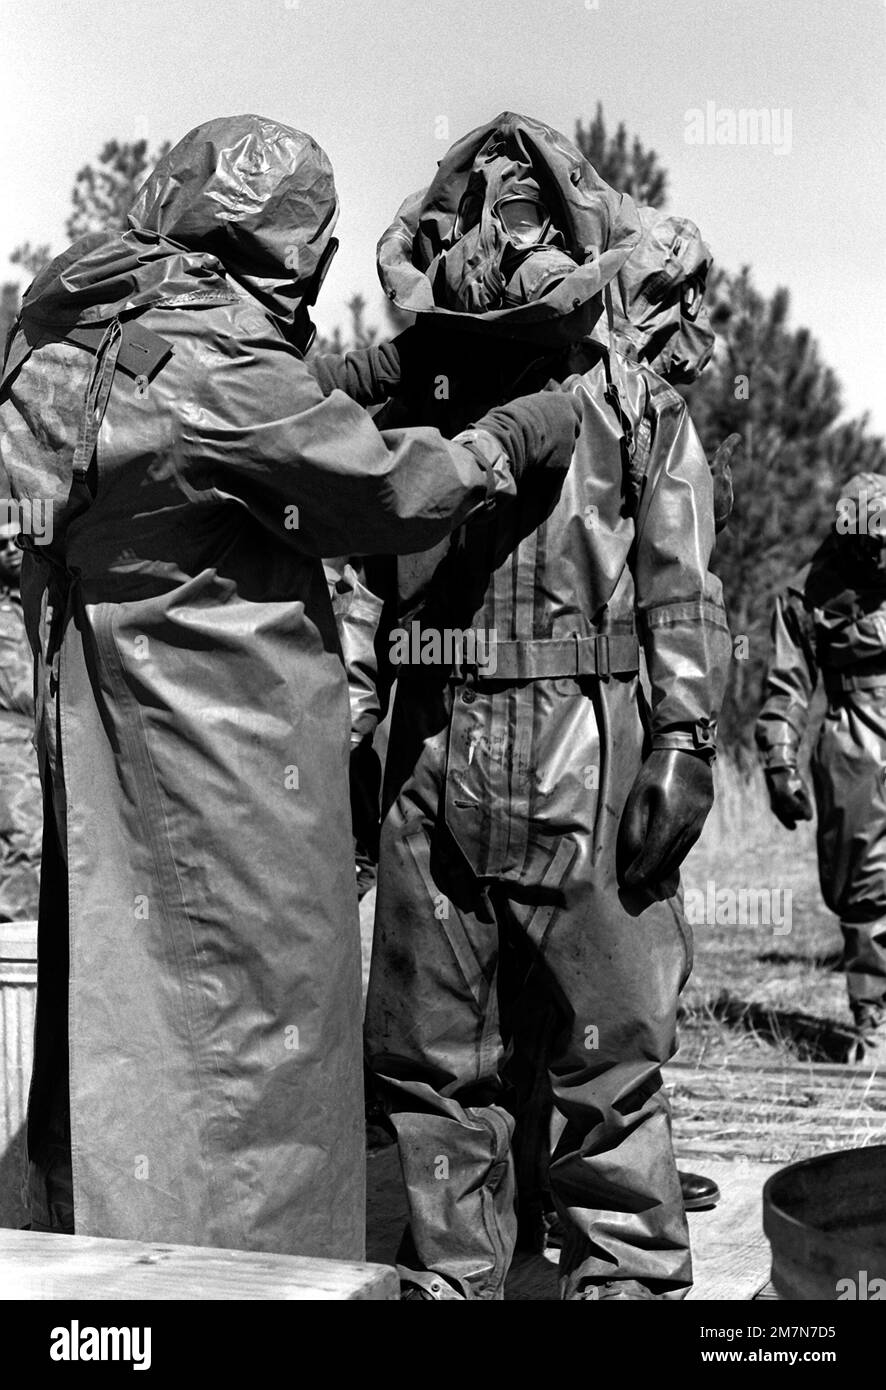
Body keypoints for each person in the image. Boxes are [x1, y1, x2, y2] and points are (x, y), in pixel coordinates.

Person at [0, 113, 581, 1254]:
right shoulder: (215, 370)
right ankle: (248, 1271)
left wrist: (384, 367)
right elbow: (377, 491)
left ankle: (113, 1258)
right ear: (282, 248)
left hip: (109, 713)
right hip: (222, 740)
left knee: (133, 1002)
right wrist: (508, 436)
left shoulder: (81, 318)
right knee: (254, 1030)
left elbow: (243, 404)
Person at [363, 112, 732, 1299]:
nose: (498, 229)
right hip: (435, 742)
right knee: (432, 1053)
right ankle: (452, 1272)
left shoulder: (630, 400)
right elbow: (362, 582)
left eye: (523, 213)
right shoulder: (414, 397)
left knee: (608, 1045)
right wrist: (361, 735)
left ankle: (622, 1269)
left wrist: (684, 735)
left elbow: (681, 581)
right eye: (480, 213)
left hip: (590, 736)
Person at [756, 473, 886, 1062]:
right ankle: (872, 1020)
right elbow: (786, 687)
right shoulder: (807, 594)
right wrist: (779, 763)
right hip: (853, 738)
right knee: (864, 887)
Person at [0, 516, 41, 921]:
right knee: (26, 837)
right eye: (1, 545)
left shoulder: (43, 600)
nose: (11, 549)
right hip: (10, 737)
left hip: (47, 732)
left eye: (18, 539)